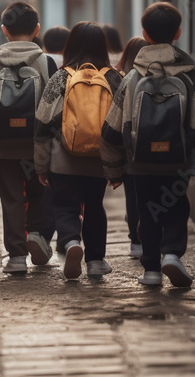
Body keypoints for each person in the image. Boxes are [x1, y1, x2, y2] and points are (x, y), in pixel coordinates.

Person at [101, 2, 195, 288]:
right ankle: (173, 254)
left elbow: (111, 128)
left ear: (144, 32)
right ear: (178, 32)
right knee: (177, 207)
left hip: (139, 163)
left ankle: (152, 269)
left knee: (147, 212)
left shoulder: (132, 77)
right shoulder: (189, 74)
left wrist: (114, 170)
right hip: (178, 160)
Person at [0, 1, 57, 274]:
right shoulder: (46, 63)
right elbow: (56, 106)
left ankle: (16, 256)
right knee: (40, 190)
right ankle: (36, 234)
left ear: (4, 31)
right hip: (37, 146)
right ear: (37, 29)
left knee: (11, 198)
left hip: (3, 146)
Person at [34, 22, 124, 280]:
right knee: (95, 206)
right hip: (99, 159)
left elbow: (42, 121)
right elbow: (122, 122)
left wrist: (41, 165)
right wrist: (119, 166)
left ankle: (72, 242)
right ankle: (96, 261)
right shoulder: (113, 77)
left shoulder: (61, 77)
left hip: (63, 159)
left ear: (70, 45)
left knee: (65, 206)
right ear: (103, 46)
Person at [113, 35, 150, 259]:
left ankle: (136, 242)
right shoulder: (161, 77)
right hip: (161, 151)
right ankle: (156, 238)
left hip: (130, 151)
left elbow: (113, 121)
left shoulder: (121, 79)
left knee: (133, 196)